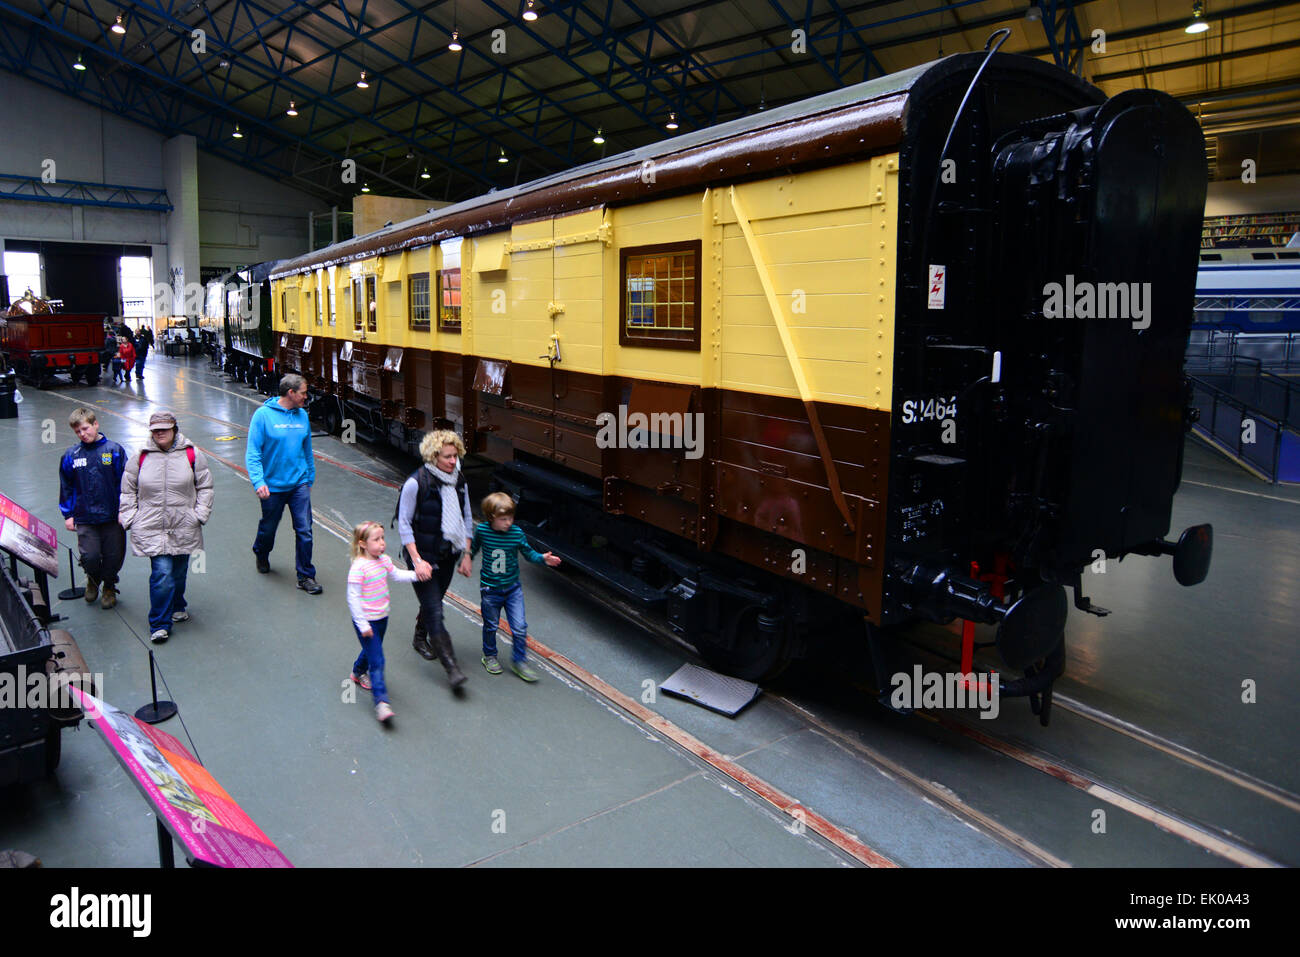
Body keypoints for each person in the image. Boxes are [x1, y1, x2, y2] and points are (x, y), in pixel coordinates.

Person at [119, 411, 215, 643]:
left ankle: (178, 604)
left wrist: (199, 514)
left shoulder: (192, 454)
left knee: (178, 572)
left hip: (183, 524)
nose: (160, 433)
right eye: (155, 430)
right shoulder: (140, 456)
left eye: (164, 428)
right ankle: (160, 624)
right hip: (151, 526)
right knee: (162, 573)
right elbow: (127, 489)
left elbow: (205, 486)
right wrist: (130, 517)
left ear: (175, 429)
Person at [396, 430, 473, 690]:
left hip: (447, 554)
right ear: (433, 455)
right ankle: (452, 668)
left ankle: (419, 636)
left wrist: (467, 553)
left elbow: (467, 517)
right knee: (435, 610)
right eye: (447, 457)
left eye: (455, 456)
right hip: (423, 557)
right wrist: (417, 560)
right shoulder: (416, 483)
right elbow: (404, 524)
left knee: (434, 602)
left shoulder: (459, 481)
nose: (453, 461)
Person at [471, 492, 561, 682]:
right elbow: (474, 549)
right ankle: (489, 655)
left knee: (519, 627)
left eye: (511, 517)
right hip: (490, 590)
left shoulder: (517, 533)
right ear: (491, 518)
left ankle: (519, 661)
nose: (508, 523)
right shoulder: (483, 531)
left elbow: (529, 555)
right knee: (491, 625)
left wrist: (543, 559)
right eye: (503, 519)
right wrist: (465, 560)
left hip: (513, 590)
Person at [346, 521, 428, 724]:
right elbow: (353, 598)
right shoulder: (358, 567)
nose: (382, 543)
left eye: (382, 538)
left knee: (371, 649)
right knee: (378, 660)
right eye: (377, 539)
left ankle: (356, 672)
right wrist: (363, 625)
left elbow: (396, 575)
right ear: (363, 543)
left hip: (382, 617)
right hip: (366, 621)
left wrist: (417, 575)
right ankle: (381, 703)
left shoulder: (383, 560)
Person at [246, 373, 321, 594]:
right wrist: (259, 481)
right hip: (273, 487)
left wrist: (309, 477)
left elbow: (306, 449)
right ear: (291, 393)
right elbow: (253, 453)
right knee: (269, 527)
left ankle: (306, 576)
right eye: (303, 393)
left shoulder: (302, 416)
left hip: (299, 484)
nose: (306, 397)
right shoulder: (263, 416)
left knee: (305, 530)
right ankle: (261, 550)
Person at [58, 409, 127, 609]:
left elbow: (125, 483)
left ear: (95, 424)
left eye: (85, 428)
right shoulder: (72, 455)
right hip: (85, 516)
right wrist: (68, 514)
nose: (82, 434)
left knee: (114, 555)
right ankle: (93, 578)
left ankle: (109, 586)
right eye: (78, 431)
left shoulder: (114, 450)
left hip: (112, 515)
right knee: (90, 556)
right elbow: (66, 486)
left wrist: (125, 509)